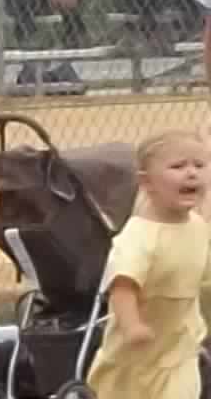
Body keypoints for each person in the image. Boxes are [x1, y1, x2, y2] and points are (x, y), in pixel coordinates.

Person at [85, 129, 211, 399]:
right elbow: (123, 287)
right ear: (147, 182)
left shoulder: (199, 229)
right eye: (178, 166)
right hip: (132, 358)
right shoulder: (140, 237)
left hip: (179, 353)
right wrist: (132, 326)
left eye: (199, 165)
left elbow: (202, 271)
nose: (192, 173)